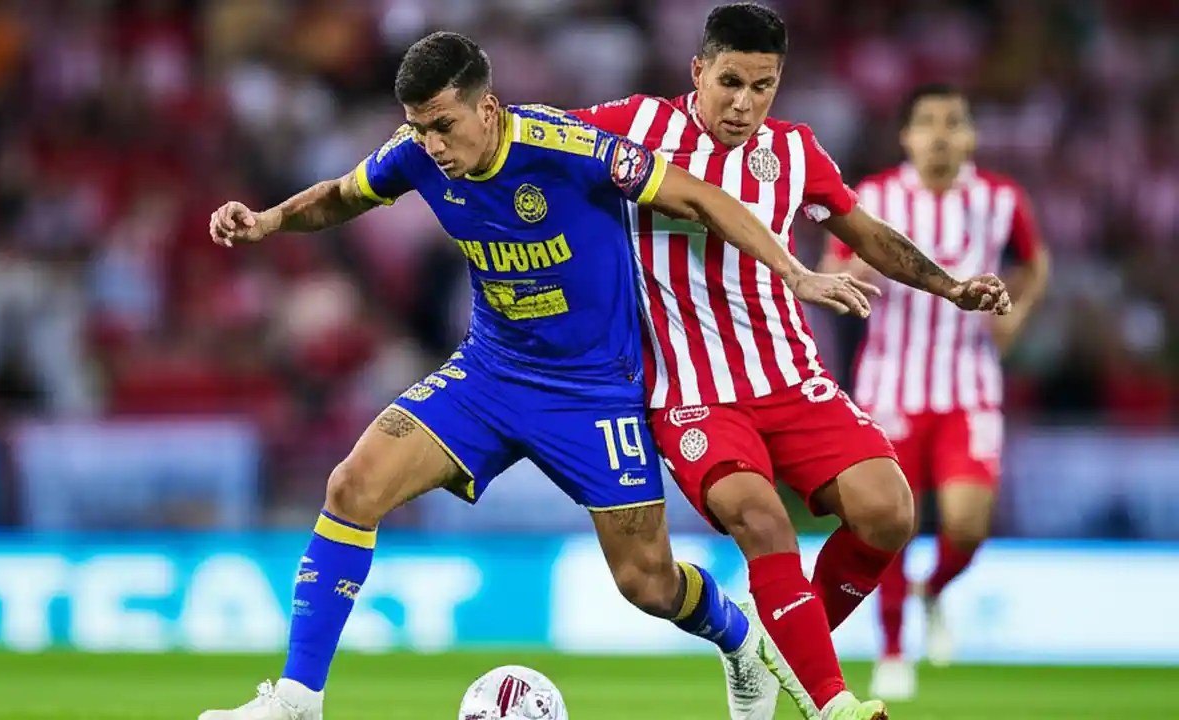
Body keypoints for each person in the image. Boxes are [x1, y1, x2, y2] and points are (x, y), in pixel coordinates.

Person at [199, 31, 878, 720]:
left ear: (486, 109)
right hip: (490, 375)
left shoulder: (566, 147)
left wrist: (795, 272)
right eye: (418, 129)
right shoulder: (416, 156)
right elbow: (344, 195)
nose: (432, 145)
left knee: (646, 582)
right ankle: (296, 700)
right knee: (353, 484)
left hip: (595, 394)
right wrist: (268, 221)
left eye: (443, 126)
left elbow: (699, 198)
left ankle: (738, 641)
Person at [571, 5, 1012, 719]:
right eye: (731, 82)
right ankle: (829, 699)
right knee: (761, 519)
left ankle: (778, 632)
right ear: (698, 71)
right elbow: (535, 134)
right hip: (694, 390)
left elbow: (865, 232)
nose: (744, 103)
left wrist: (951, 286)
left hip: (790, 378)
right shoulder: (635, 125)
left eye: (763, 86)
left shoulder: (796, 150)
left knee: (889, 513)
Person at [821, 83, 1049, 701]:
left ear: (972, 135)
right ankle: (894, 649)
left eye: (954, 122)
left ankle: (935, 591)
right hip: (890, 384)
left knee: (969, 526)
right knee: (895, 519)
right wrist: (852, 274)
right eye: (927, 122)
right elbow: (832, 263)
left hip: (968, 384)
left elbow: (1035, 262)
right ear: (906, 136)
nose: (941, 134)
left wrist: (1017, 317)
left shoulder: (1001, 200)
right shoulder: (873, 197)